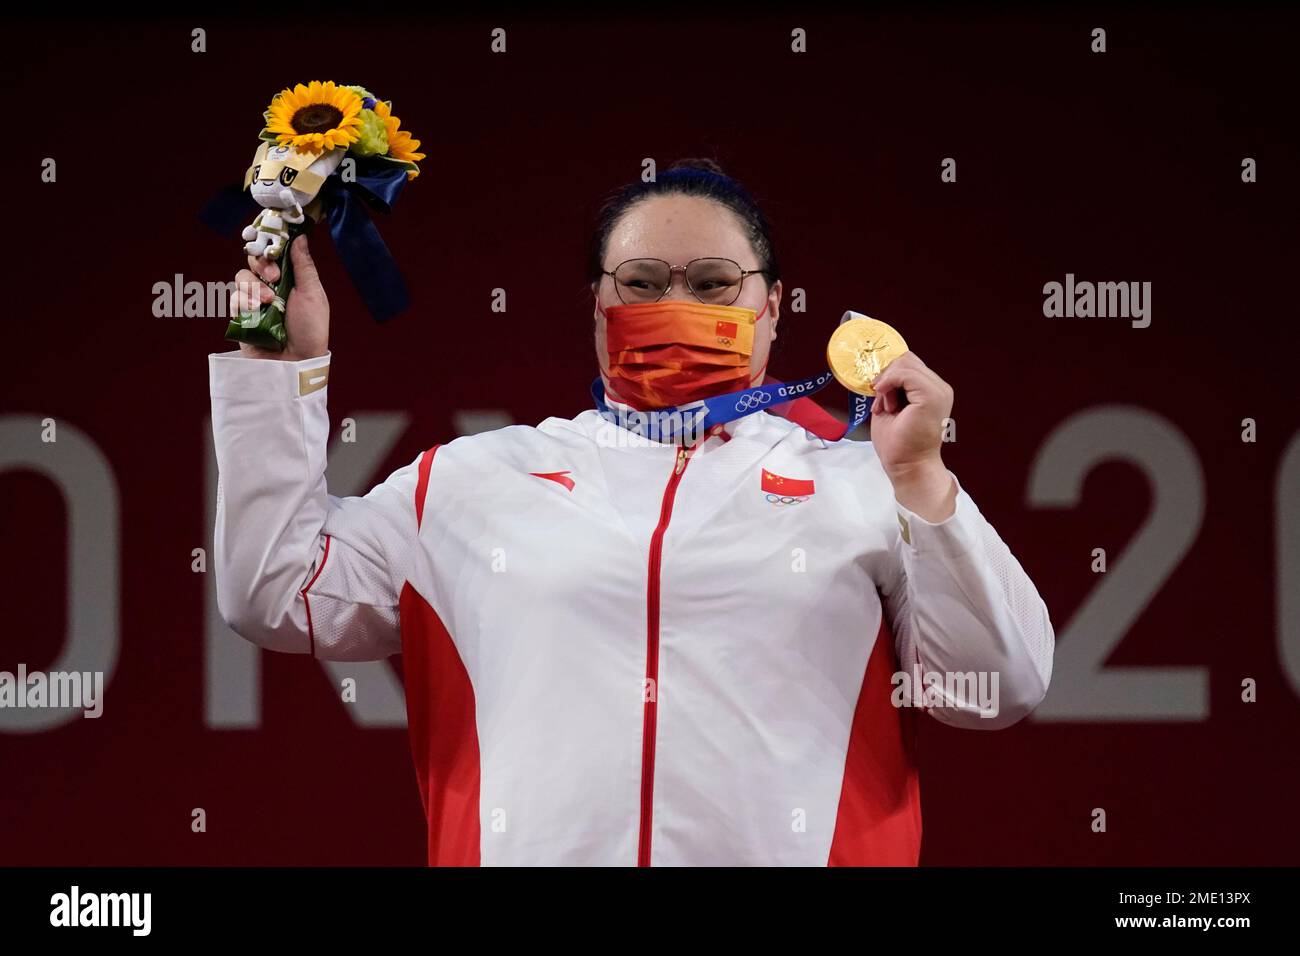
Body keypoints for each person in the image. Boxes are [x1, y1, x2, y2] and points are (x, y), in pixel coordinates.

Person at [210, 158, 1055, 866]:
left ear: (772, 308)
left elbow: (996, 688)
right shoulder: (469, 484)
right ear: (597, 309)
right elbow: (273, 589)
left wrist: (921, 480)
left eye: (714, 283)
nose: (675, 303)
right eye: (643, 283)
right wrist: (280, 373)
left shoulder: (865, 485)